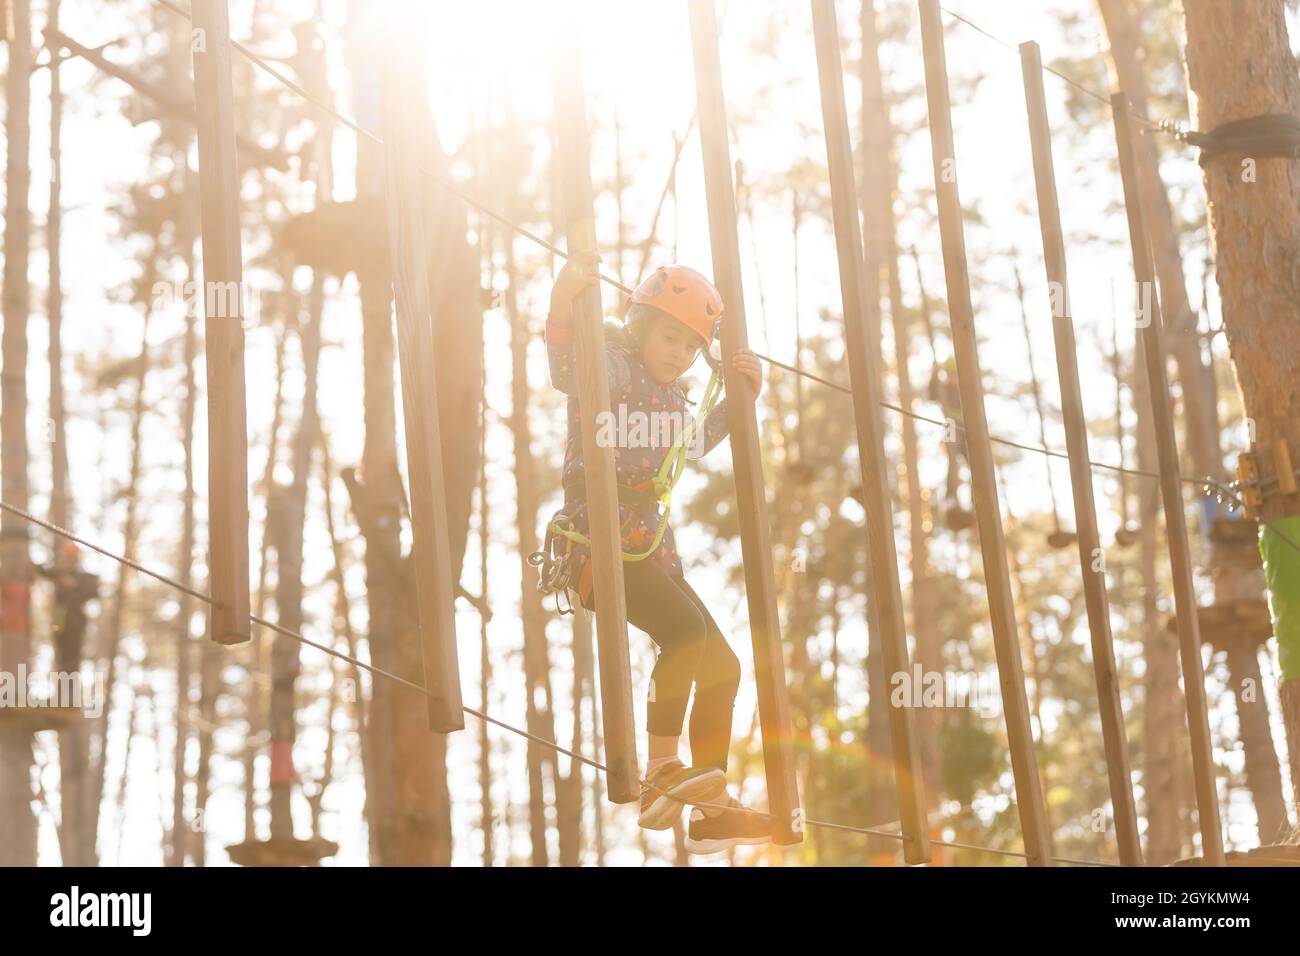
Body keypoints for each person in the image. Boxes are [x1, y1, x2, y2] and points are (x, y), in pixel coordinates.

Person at [540, 256, 770, 854]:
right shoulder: (613, 368)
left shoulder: (672, 400)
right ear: (639, 324)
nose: (678, 354)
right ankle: (662, 768)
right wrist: (564, 302)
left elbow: (695, 446)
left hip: (647, 554)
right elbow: (568, 369)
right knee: (687, 632)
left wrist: (742, 395)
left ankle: (711, 807)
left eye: (693, 348)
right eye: (671, 337)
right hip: (597, 546)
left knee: (723, 665)